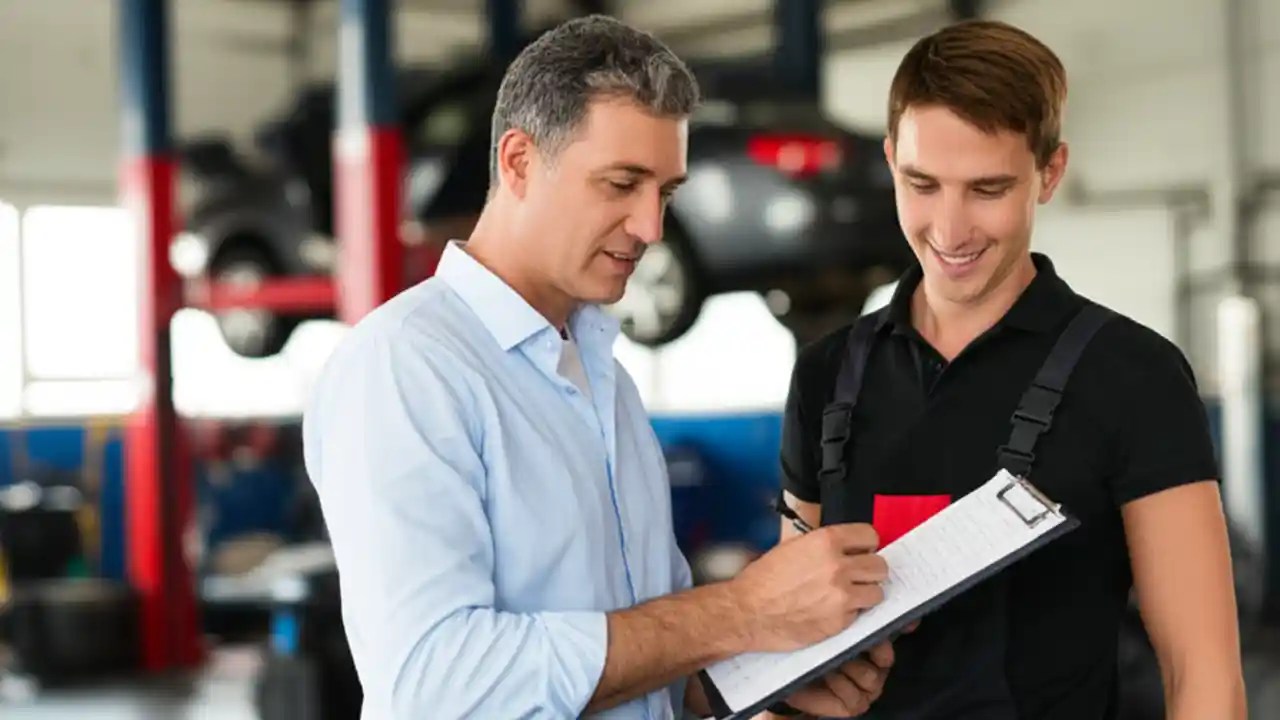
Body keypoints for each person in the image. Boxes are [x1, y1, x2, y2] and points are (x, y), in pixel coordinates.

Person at [303, 15, 901, 720]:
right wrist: (741, 612)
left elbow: (653, 658)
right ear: (519, 162)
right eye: (621, 184)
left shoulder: (599, 375)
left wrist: (769, 673)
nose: (651, 228)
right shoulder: (406, 368)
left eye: (666, 194)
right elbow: (438, 684)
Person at [770, 19, 1247, 720]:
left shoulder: (1133, 377)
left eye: (987, 189)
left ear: (1049, 173)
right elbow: (788, 651)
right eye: (921, 183)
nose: (950, 228)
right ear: (890, 159)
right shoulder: (827, 376)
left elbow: (1203, 674)